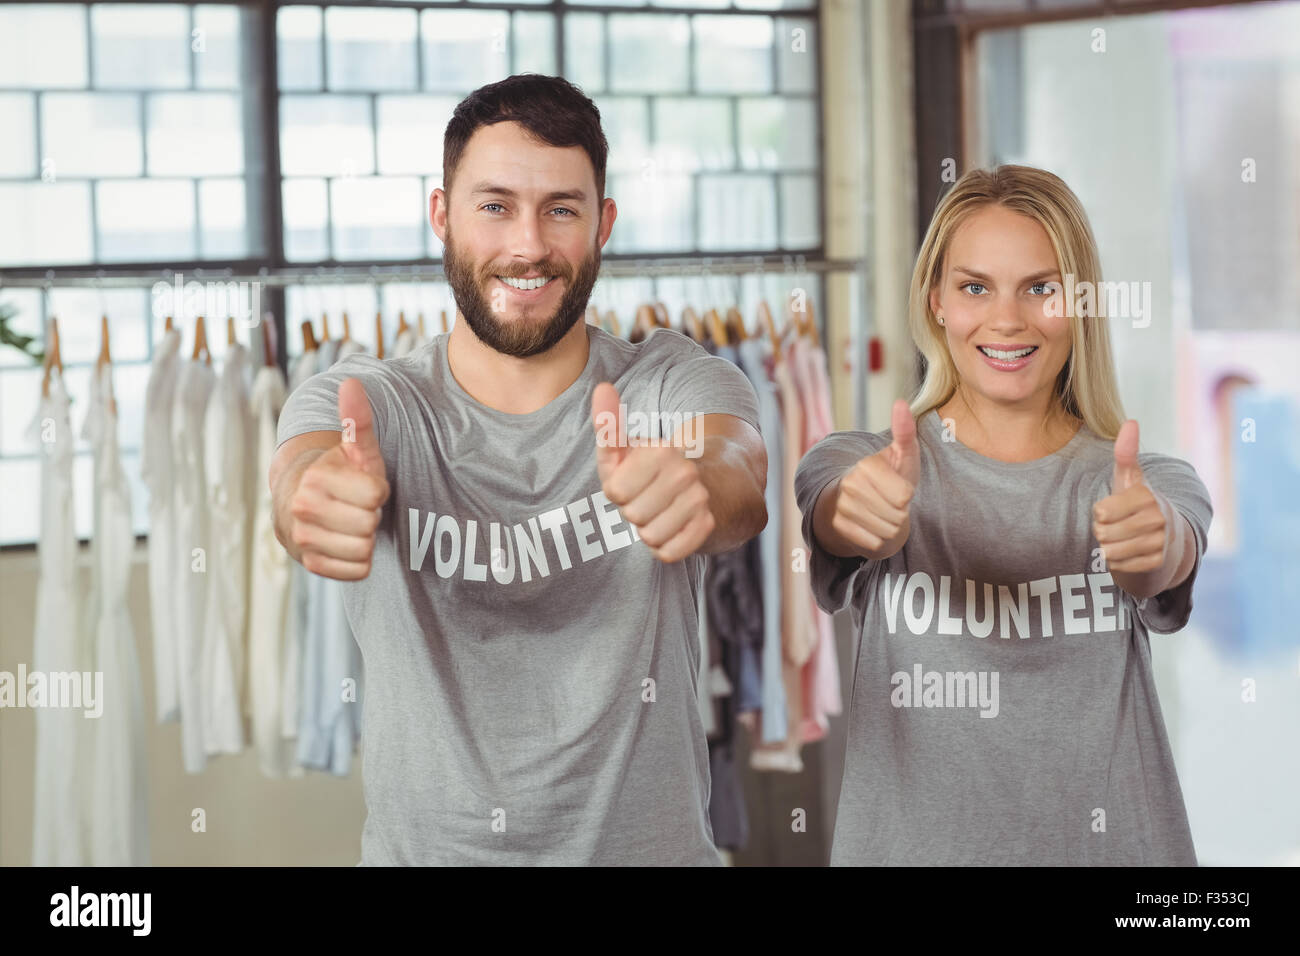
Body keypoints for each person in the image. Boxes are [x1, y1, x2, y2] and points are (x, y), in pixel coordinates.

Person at [269, 74, 767, 865]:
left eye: (560, 210)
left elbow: (738, 463)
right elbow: (303, 466)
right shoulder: (369, 403)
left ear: (602, 224)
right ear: (442, 215)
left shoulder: (669, 380)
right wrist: (313, 498)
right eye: (495, 205)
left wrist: (700, 486)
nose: (528, 246)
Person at [796, 165, 1211, 866]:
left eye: (1040, 288)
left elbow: (1169, 552)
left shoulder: (1151, 484)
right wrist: (858, 519)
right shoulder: (856, 465)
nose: (1007, 320)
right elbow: (835, 512)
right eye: (975, 287)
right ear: (936, 301)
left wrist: (1154, 548)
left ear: (1079, 302)